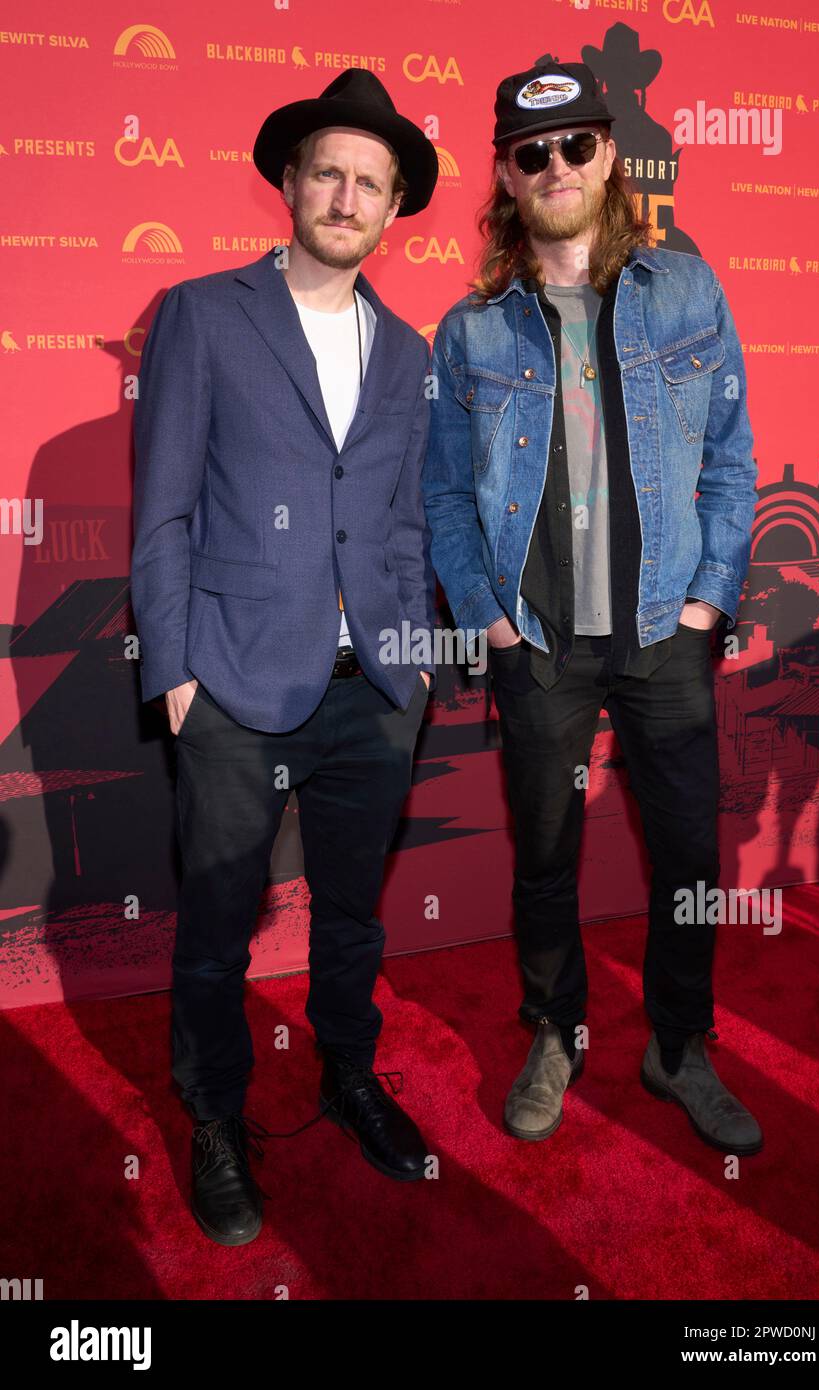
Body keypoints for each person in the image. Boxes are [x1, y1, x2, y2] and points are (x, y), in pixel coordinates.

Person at [423, 54, 763, 1154]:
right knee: (545, 852)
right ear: (507, 177)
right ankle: (555, 1029)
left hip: (667, 633)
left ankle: (676, 1045)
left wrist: (710, 600)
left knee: (687, 859)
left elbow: (727, 457)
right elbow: (440, 491)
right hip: (540, 641)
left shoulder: (686, 291)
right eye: (531, 152)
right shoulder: (469, 330)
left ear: (610, 156)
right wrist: (487, 613)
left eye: (574, 143)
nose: (555, 164)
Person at [131, 70, 440, 1245]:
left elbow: (405, 521)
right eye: (327, 170)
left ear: (391, 204)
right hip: (234, 683)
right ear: (291, 181)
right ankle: (214, 1114)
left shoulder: (410, 352)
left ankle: (347, 1077)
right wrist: (175, 672)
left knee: (353, 919)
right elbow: (160, 508)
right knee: (215, 929)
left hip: (373, 697)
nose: (344, 194)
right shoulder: (205, 314)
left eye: (369, 180)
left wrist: (410, 666)